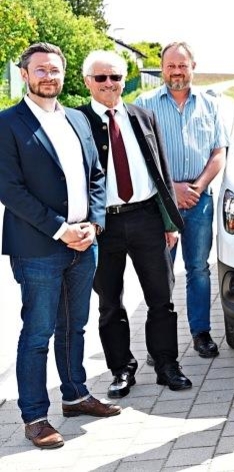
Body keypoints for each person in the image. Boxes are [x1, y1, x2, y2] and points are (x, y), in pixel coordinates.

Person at [0, 43, 119, 450]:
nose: (49, 76)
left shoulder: (77, 120)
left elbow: (97, 175)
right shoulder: (8, 123)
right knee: (38, 332)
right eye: (40, 70)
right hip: (38, 247)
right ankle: (34, 415)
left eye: (55, 70)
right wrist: (59, 229)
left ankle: (75, 395)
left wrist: (94, 223)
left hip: (85, 242)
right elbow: (9, 189)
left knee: (75, 325)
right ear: (25, 74)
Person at [78, 50, 191, 398]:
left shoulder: (143, 116)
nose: (109, 84)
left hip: (146, 218)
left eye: (115, 77)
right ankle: (122, 369)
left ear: (124, 79)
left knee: (162, 298)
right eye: (101, 78)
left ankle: (166, 365)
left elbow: (161, 170)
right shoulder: (76, 121)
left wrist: (169, 221)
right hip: (102, 226)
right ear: (87, 82)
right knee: (110, 303)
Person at [136, 42, 228, 358]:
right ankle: (160, 341)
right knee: (160, 272)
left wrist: (197, 187)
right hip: (160, 203)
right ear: (162, 68)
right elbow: (140, 158)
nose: (177, 71)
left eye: (182, 65)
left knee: (198, 269)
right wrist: (172, 189)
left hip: (199, 201)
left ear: (192, 66)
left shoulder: (209, 104)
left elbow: (218, 152)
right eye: (171, 66)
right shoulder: (144, 104)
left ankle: (201, 333)